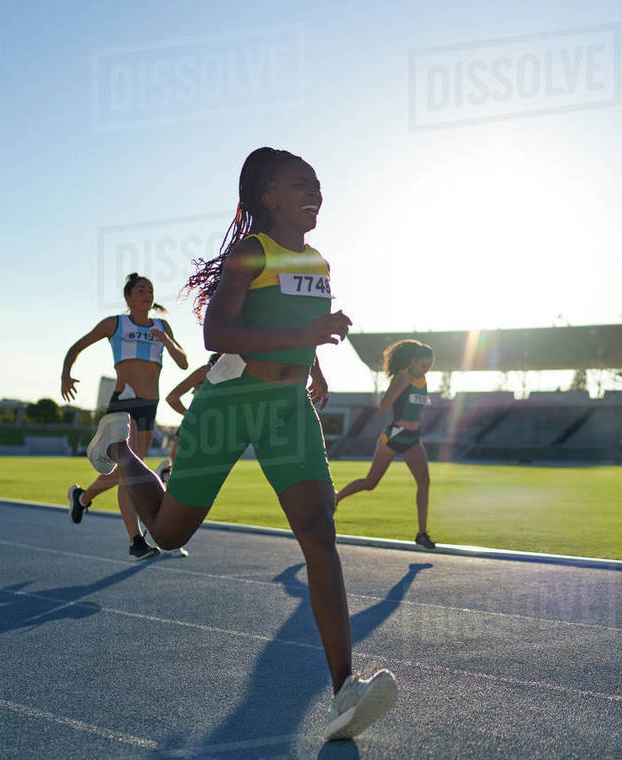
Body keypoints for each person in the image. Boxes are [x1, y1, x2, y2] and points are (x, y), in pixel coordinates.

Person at [82, 147, 397, 741]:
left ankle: (344, 692)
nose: (315, 192)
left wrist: (313, 365)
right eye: (299, 183)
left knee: (319, 532)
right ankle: (121, 450)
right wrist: (300, 334)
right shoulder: (250, 252)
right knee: (170, 534)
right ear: (268, 194)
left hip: (287, 407)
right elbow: (216, 333)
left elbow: (302, 332)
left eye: (319, 184)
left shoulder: (320, 261)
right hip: (231, 400)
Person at [61, 273, 189, 560]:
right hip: (125, 402)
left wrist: (166, 340)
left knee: (131, 472)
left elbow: (183, 362)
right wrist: (66, 376)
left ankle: (82, 498)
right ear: (129, 297)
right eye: (141, 290)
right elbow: (76, 347)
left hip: (149, 405)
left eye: (151, 290)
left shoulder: (161, 326)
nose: (147, 294)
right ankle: (135, 541)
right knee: (130, 475)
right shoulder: (116, 324)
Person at [335, 340, 436, 549]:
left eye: (429, 366)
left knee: (424, 481)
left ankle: (422, 533)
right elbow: (383, 406)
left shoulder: (422, 379)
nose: (426, 369)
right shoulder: (401, 378)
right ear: (412, 361)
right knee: (370, 483)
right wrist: (399, 388)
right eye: (423, 365)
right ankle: (335, 499)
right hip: (394, 436)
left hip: (413, 437)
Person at [156, 353, 221, 484]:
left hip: (213, 433)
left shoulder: (240, 370)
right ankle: (164, 477)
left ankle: (164, 477)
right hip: (191, 430)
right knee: (183, 482)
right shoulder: (207, 370)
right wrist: (192, 417)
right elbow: (172, 397)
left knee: (195, 483)